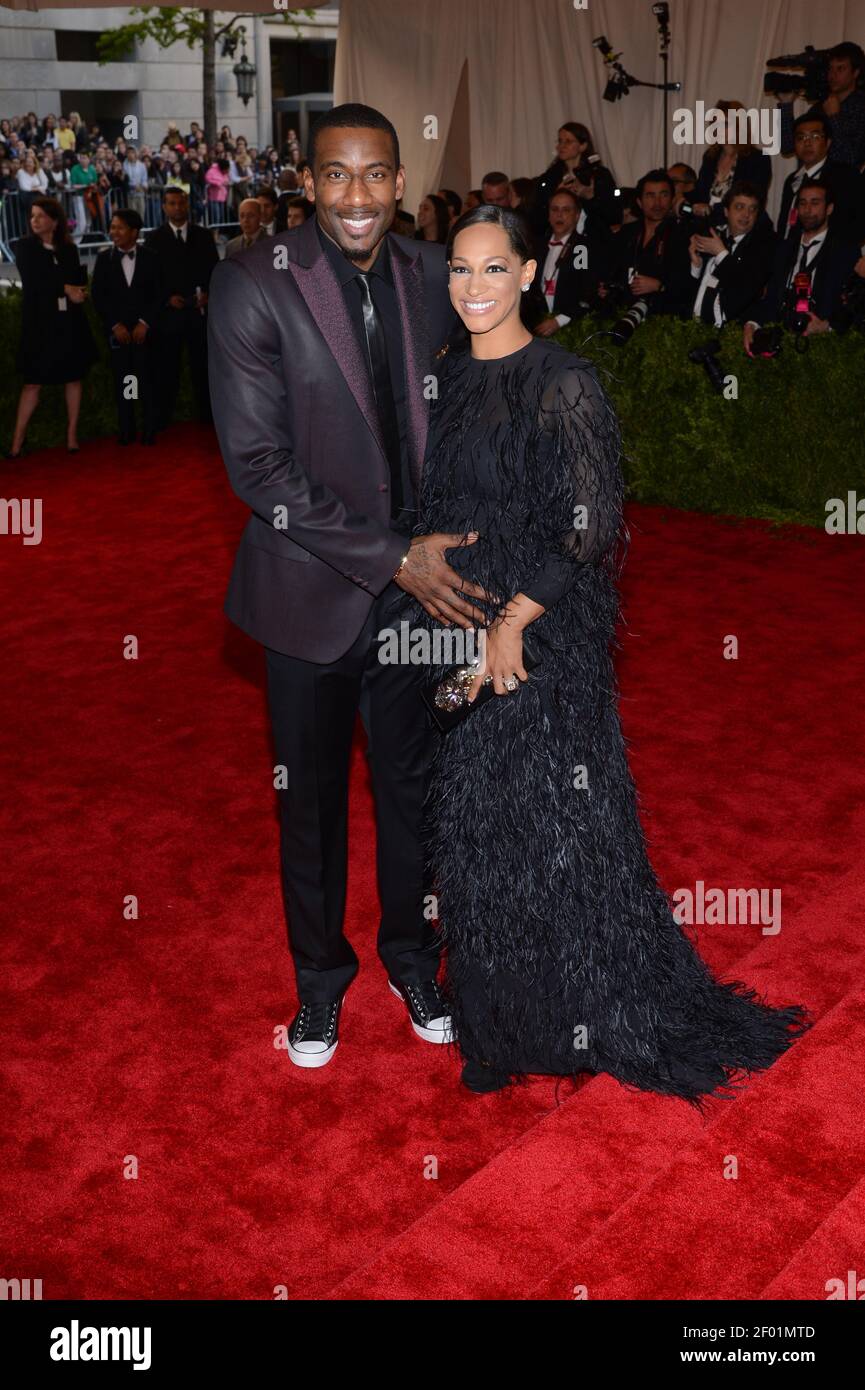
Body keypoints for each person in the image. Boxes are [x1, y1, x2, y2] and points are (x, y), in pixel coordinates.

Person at [406, 202, 810, 1096]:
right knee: (480, 835)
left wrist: (514, 619)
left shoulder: (565, 381)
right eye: (459, 271)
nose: (474, 287)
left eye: (492, 269)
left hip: (545, 628)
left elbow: (593, 523)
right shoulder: (447, 378)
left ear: (527, 274)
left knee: (560, 826)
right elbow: (435, 501)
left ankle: (589, 1018)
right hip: (460, 623)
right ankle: (502, 1029)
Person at [207, 103, 463, 1068]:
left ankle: (414, 956)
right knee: (308, 805)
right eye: (335, 174)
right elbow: (260, 468)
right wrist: (393, 555)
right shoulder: (249, 286)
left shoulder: (435, 274)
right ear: (307, 183)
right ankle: (319, 986)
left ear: (400, 181)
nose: (356, 194)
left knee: (416, 793)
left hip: (424, 594)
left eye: (375, 174)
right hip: (307, 595)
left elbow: (480, 406)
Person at [8, 196, 98, 457]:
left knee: (73, 377)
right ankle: (17, 440)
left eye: (40, 216)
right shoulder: (24, 246)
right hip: (39, 323)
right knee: (32, 383)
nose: (34, 220)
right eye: (32, 216)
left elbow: (76, 280)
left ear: (55, 222)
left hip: (69, 322)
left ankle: (71, 435)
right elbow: (34, 280)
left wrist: (79, 292)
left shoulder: (69, 249)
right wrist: (65, 287)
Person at [743, 180, 861, 350]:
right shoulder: (783, 249)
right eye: (803, 203)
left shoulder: (845, 251)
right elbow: (770, 298)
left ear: (829, 208)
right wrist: (752, 323)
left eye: (815, 203)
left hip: (825, 348)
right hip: (782, 342)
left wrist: (826, 326)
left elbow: (853, 307)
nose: (807, 210)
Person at [144, 186, 218, 427]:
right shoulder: (154, 239)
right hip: (169, 316)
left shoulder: (204, 235)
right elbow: (149, 279)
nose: (177, 207)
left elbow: (215, 271)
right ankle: (162, 418)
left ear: (187, 205)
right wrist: (167, 299)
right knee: (166, 368)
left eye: (181, 203)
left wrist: (208, 293)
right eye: (172, 203)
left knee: (204, 368)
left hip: (199, 314)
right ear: (164, 207)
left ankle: (209, 418)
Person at [91, 207, 162, 445]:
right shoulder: (103, 260)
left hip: (145, 334)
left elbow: (158, 295)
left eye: (119, 227)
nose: (114, 232)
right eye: (112, 227)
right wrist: (115, 325)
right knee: (126, 382)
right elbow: (99, 297)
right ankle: (127, 428)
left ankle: (150, 427)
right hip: (119, 335)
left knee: (147, 380)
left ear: (134, 232)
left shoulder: (151, 257)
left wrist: (145, 323)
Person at [525, 185, 613, 333]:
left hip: (569, 326)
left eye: (566, 210)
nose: (559, 215)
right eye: (555, 209)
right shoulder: (537, 246)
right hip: (538, 324)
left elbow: (587, 290)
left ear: (577, 215)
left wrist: (560, 320)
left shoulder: (581, 248)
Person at [687, 181, 776, 326]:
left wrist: (721, 254)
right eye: (740, 207)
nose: (746, 215)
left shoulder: (763, 246)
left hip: (731, 333)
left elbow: (746, 286)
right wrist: (696, 267)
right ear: (726, 211)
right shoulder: (713, 235)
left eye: (752, 209)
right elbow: (688, 292)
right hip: (692, 326)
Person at [777, 112, 865, 244]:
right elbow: (786, 225)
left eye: (815, 136)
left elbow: (859, 224)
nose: (807, 143)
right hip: (789, 256)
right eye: (801, 138)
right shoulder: (792, 180)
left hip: (830, 258)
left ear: (828, 143)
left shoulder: (845, 176)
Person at [779, 41, 865, 169]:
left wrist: (834, 117)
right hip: (808, 183)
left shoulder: (861, 107)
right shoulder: (820, 106)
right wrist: (786, 104)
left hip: (841, 186)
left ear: (855, 72)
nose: (833, 75)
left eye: (840, 68)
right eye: (830, 68)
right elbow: (788, 147)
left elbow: (851, 159)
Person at [531, 122, 619, 234]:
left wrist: (590, 198)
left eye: (568, 141)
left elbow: (613, 216)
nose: (561, 146)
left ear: (583, 146)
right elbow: (536, 216)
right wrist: (555, 196)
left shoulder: (599, 175)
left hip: (591, 240)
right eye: (560, 141)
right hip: (557, 239)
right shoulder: (549, 177)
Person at [691, 102, 771, 221]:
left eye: (726, 124)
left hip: (743, 227)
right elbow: (699, 193)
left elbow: (753, 201)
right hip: (708, 224)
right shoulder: (710, 157)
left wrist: (711, 210)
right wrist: (680, 198)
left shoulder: (758, 159)